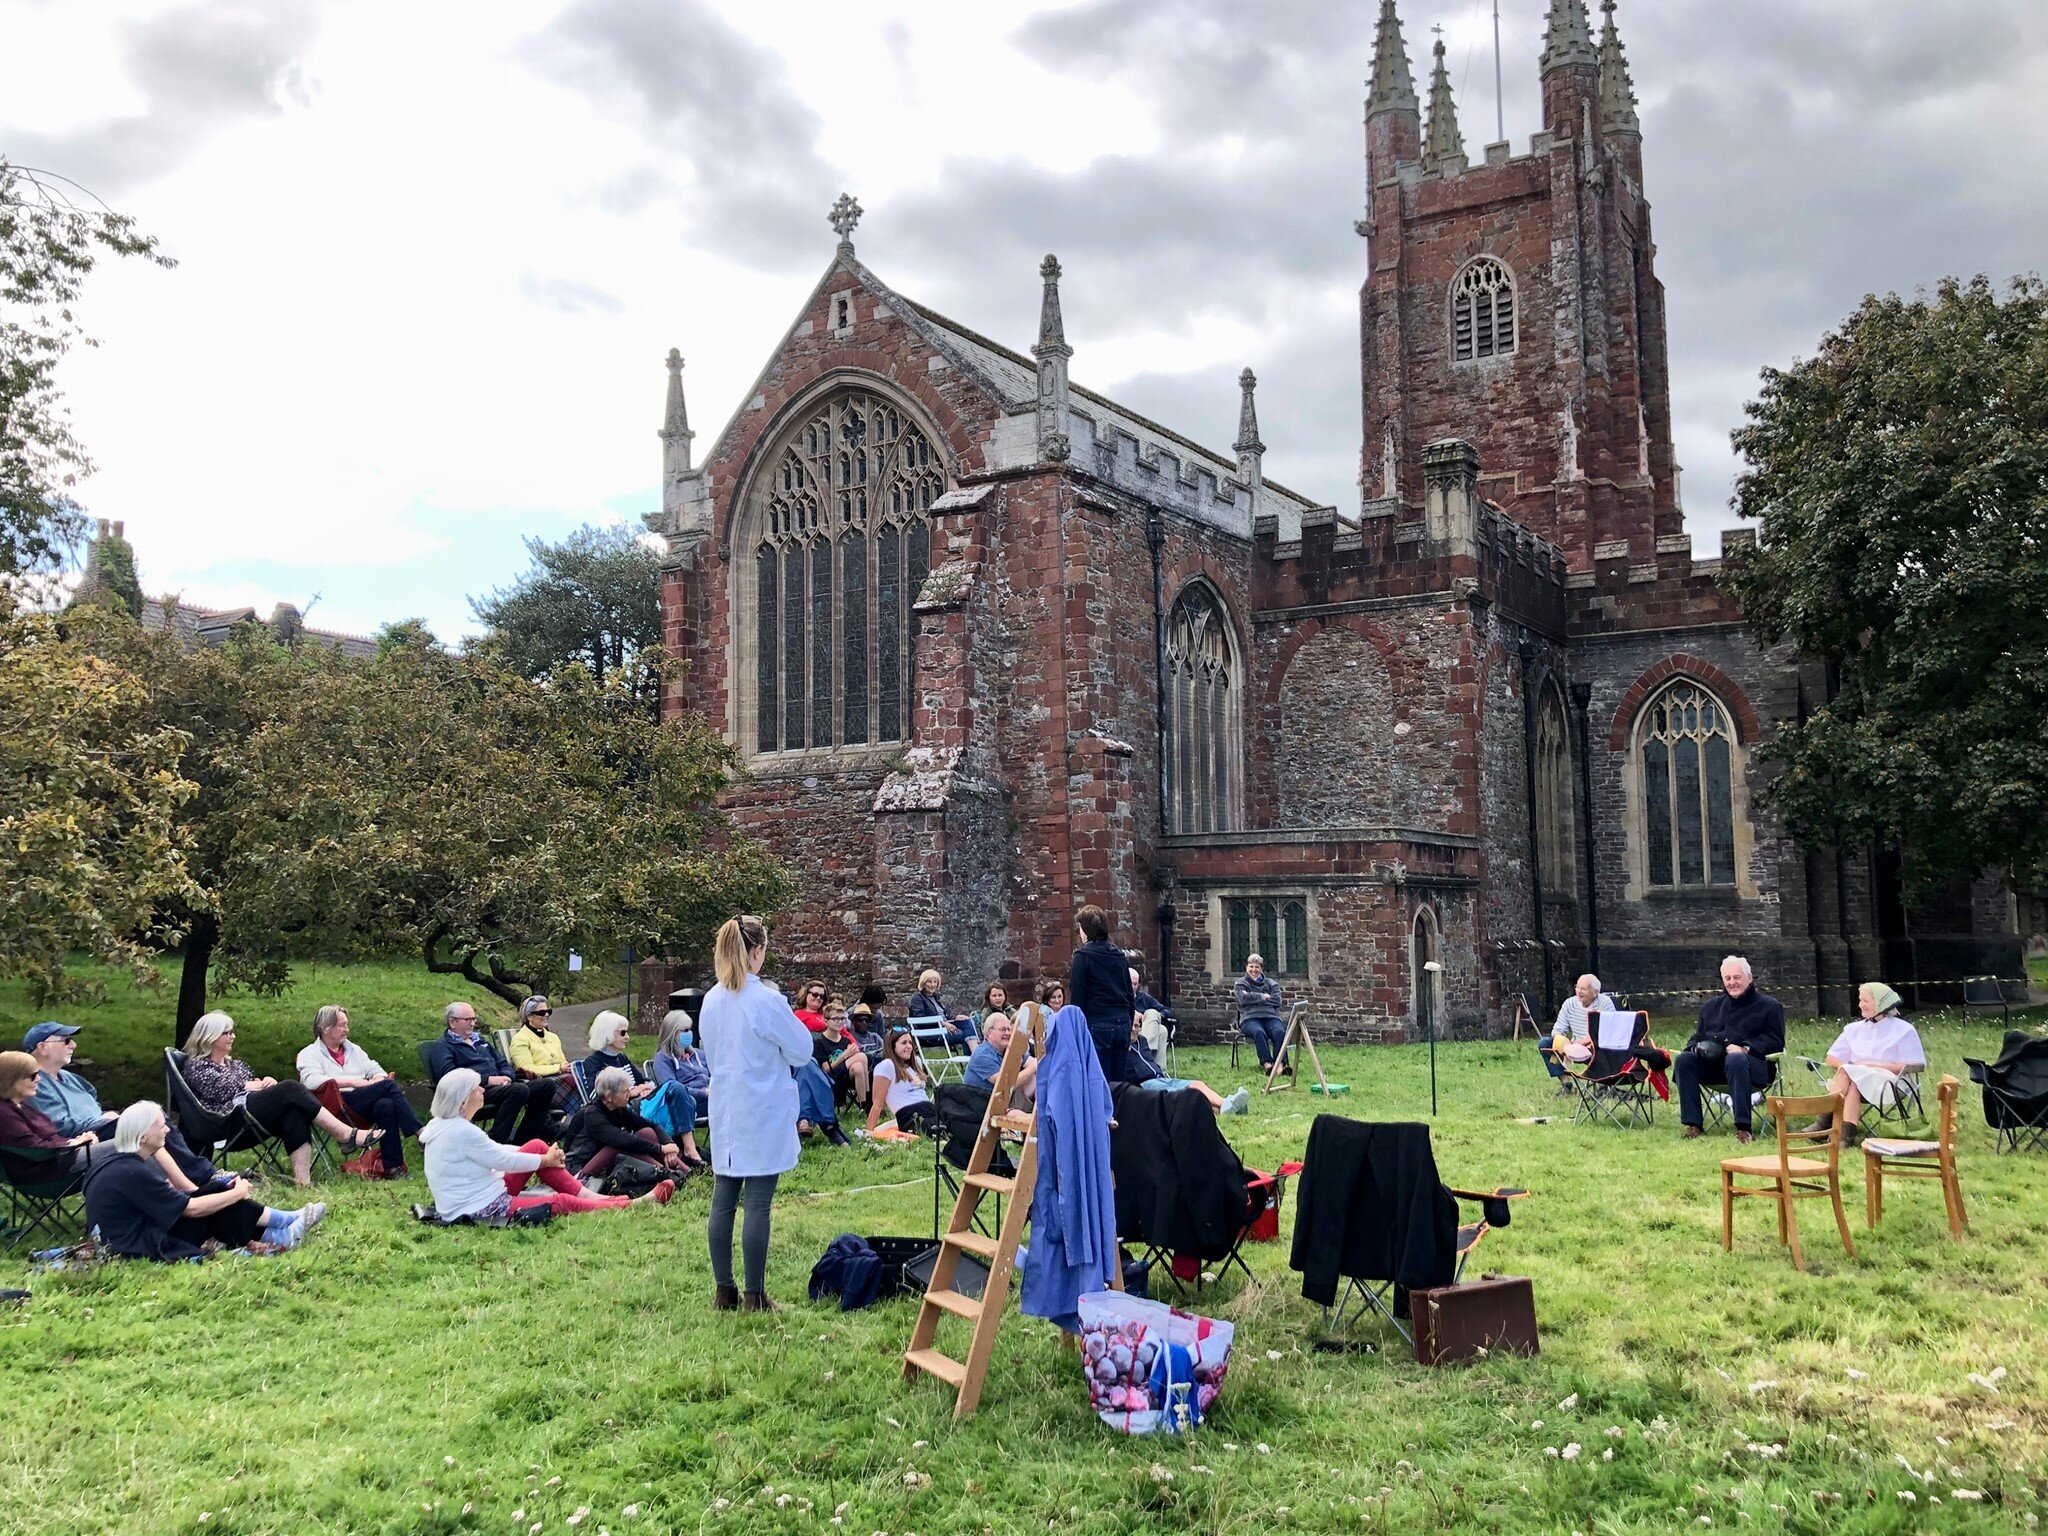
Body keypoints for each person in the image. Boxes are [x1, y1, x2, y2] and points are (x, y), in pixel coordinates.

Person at [699, 914, 816, 1311]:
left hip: (729, 1105)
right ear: (756, 951)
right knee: (757, 1204)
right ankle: (753, 1294)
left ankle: (723, 1290)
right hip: (761, 1106)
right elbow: (802, 1048)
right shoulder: (765, 1000)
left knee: (724, 1200)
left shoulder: (711, 999)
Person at [419, 1068, 671, 1223]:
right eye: (477, 1090)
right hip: (480, 1207)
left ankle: (593, 1196)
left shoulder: (446, 1125)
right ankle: (630, 1204)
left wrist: (543, 1155)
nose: (483, 1092)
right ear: (463, 1101)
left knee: (538, 1145)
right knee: (558, 1202)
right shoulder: (461, 1131)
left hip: (478, 1196)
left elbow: (495, 1150)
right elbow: (501, 1160)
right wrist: (544, 1161)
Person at [83, 1102, 325, 1260]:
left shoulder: (115, 1162)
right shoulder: (133, 1172)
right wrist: (238, 1193)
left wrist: (226, 1190)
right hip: (138, 1245)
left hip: (132, 1233)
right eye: (161, 1126)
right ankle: (283, 1227)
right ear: (143, 1136)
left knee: (217, 1188)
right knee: (216, 1205)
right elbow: (191, 1209)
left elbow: (184, 1196)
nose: (167, 1130)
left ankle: (284, 1224)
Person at [182, 1012, 383, 1186]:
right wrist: (252, 1086)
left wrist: (264, 1082)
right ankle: (345, 1134)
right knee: (290, 1088)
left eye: (232, 1031)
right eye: (227, 1032)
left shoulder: (236, 1065)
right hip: (227, 1122)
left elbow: (252, 1083)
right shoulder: (197, 1066)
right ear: (210, 1036)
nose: (233, 1036)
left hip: (250, 1118)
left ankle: (303, 1183)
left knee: (294, 1113)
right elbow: (221, 1091)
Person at [24, 1022, 219, 1185]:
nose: (73, 1045)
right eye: (66, 1040)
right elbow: (61, 1126)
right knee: (149, 1122)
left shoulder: (70, 1078)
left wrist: (106, 1117)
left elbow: (94, 1104)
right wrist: (101, 1120)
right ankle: (200, 1178)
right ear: (43, 1047)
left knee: (153, 1119)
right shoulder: (33, 1084)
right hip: (79, 1142)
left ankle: (187, 1185)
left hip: (101, 1128)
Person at [0, 1051, 207, 1192]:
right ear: (12, 1080)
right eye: (32, 1075)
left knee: (144, 1139)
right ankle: (184, 1194)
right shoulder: (5, 1114)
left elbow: (48, 1137)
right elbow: (34, 1147)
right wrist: (74, 1144)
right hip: (47, 1171)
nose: (38, 1079)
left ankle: (178, 1193)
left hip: (61, 1156)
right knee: (138, 1143)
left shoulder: (21, 1105)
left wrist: (79, 1140)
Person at [294, 1006, 423, 1177]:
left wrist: (377, 1078)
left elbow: (376, 1069)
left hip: (363, 1101)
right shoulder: (309, 1053)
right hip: (336, 1105)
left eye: (347, 1024)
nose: (347, 1030)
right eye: (342, 1025)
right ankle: (420, 1133)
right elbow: (310, 1082)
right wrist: (354, 1082)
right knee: (388, 1086)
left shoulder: (353, 1049)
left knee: (386, 1105)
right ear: (326, 1028)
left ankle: (394, 1168)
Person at [1675, 955, 1786, 1144]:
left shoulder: (1770, 1006)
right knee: (1685, 1059)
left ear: (1749, 978)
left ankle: (1744, 1128)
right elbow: (1699, 1036)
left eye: (1737, 977)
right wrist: (1694, 1047)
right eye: (1727, 978)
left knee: (1735, 1059)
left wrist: (1745, 1048)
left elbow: (1775, 1041)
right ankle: (1693, 1124)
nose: (1732, 983)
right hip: (1714, 1068)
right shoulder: (1710, 1008)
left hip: (1753, 1068)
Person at [582, 1011, 704, 1165]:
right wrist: (633, 1091)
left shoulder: (621, 1058)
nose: (628, 1037)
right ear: (607, 1034)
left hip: (642, 1102)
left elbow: (647, 1081)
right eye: (623, 1033)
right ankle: (687, 1150)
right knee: (676, 1088)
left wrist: (644, 1087)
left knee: (679, 1097)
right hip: (627, 1109)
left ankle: (682, 1152)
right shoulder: (594, 1062)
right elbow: (596, 1095)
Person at [1812, 983, 1926, 1146]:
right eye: (1860, 1000)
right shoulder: (1853, 1029)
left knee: (1851, 1077)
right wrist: (1856, 1069)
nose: (1860, 1005)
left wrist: (1873, 1065)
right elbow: (1831, 1058)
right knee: (1852, 1080)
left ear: (1880, 1003)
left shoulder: (1904, 1030)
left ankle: (1824, 1123)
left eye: (1865, 1001)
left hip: (1892, 1083)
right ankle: (1845, 1138)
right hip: (1855, 1081)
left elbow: (1916, 1064)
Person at [425, 1002, 557, 1145]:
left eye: (473, 1019)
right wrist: (489, 1080)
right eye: (467, 1020)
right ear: (452, 1022)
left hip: (502, 1087)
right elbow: (450, 1076)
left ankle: (525, 1139)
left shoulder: (480, 1041)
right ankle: (496, 1141)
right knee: (519, 1090)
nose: (472, 1024)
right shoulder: (443, 1047)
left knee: (546, 1086)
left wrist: (507, 1076)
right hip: (473, 1092)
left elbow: (502, 1063)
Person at [565, 1067, 694, 1185]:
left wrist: (668, 1146)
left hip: (604, 1161)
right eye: (625, 1091)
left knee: (647, 1132)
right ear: (609, 1096)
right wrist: (660, 1149)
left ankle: (684, 1169)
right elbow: (621, 1140)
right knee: (619, 1147)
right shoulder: (591, 1115)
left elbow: (651, 1125)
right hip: (579, 1171)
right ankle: (667, 1174)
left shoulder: (617, 1108)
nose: (630, 1094)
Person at [1123, 1016, 1249, 1114]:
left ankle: (1224, 1104)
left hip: (1160, 1078)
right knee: (1183, 1094)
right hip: (1144, 1084)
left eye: (1137, 1026)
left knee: (1197, 1084)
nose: (1135, 1030)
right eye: (1132, 1026)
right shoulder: (1122, 1046)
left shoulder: (1142, 1041)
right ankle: (1230, 1106)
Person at [1070, 905, 1137, 1084]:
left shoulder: (1083, 956)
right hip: (1121, 1023)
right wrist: (1128, 1023)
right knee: (1118, 1084)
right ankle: (1119, 1112)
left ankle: (1104, 1113)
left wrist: (1078, 1031)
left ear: (1086, 930)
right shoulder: (1119, 956)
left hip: (1098, 1025)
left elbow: (1077, 998)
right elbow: (1128, 993)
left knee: (1098, 1082)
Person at [1540, 974, 1618, 1090]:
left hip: (1597, 1046)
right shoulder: (1569, 1004)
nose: (1578, 991)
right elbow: (1558, 1030)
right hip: (1574, 1046)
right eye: (1577, 987)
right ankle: (1566, 1084)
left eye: (1583, 989)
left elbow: (1611, 1031)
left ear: (1595, 992)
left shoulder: (1605, 1003)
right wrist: (1563, 1043)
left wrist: (1585, 1042)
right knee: (1545, 1043)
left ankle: (1604, 1084)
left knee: (1603, 1045)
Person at [508, 995, 577, 1110]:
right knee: (571, 1080)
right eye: (541, 1012)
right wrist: (559, 1068)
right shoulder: (520, 1039)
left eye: (548, 1011)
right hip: (538, 1082)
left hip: (559, 1078)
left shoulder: (553, 1037)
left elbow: (563, 1062)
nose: (546, 1015)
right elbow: (527, 1068)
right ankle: (582, 1114)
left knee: (586, 1078)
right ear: (529, 1016)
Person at [867, 1028, 939, 1136]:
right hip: (910, 1116)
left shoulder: (916, 1062)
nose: (909, 1046)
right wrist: (869, 1133)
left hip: (930, 1110)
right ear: (892, 1046)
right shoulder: (887, 1066)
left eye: (910, 1042)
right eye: (904, 1043)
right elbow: (877, 1104)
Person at [650, 1009, 711, 1124]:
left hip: (712, 1098)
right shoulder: (663, 1058)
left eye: (690, 1029)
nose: (689, 1033)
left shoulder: (699, 1054)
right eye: (685, 1030)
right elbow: (672, 1089)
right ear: (673, 1033)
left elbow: (715, 1076)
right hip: (689, 1104)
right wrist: (704, 1092)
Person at [1233, 954, 1288, 1075]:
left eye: (1256, 967)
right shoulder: (1240, 983)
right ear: (1246, 967)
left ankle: (1279, 1064)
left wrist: (1252, 997)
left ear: (1261, 969)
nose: (1253, 970)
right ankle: (1267, 1064)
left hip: (1271, 1016)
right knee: (1259, 1032)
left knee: (1279, 1032)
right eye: (1251, 966)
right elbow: (1242, 999)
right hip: (1249, 1018)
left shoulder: (1271, 984)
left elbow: (1277, 1000)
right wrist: (1263, 996)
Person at [964, 1012, 1039, 1101]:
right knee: (1035, 1079)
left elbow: (1033, 1062)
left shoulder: (1009, 1048)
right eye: (1003, 1029)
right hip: (984, 1105)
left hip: (1002, 1099)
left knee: (1039, 1079)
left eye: (1008, 1029)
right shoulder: (982, 1055)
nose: (1008, 1033)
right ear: (989, 1033)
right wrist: (1034, 1066)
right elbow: (1005, 1084)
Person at [813, 998, 871, 1110]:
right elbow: (825, 1070)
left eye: (842, 1019)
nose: (840, 1022)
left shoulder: (845, 1040)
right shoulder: (820, 1042)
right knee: (862, 1056)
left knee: (859, 1066)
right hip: (831, 1076)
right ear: (826, 1021)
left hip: (845, 1075)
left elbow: (852, 1064)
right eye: (835, 1019)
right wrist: (844, 1055)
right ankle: (868, 1100)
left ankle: (863, 1105)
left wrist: (851, 1054)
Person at [907, 968, 973, 1049]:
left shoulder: (936, 997)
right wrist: (943, 1024)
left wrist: (955, 1018)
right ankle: (975, 1055)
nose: (932, 985)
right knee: (966, 1033)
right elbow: (920, 1019)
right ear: (923, 983)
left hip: (944, 1026)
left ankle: (973, 1055)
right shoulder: (917, 998)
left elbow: (945, 1016)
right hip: (930, 1032)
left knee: (967, 1023)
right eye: (929, 982)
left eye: (935, 982)